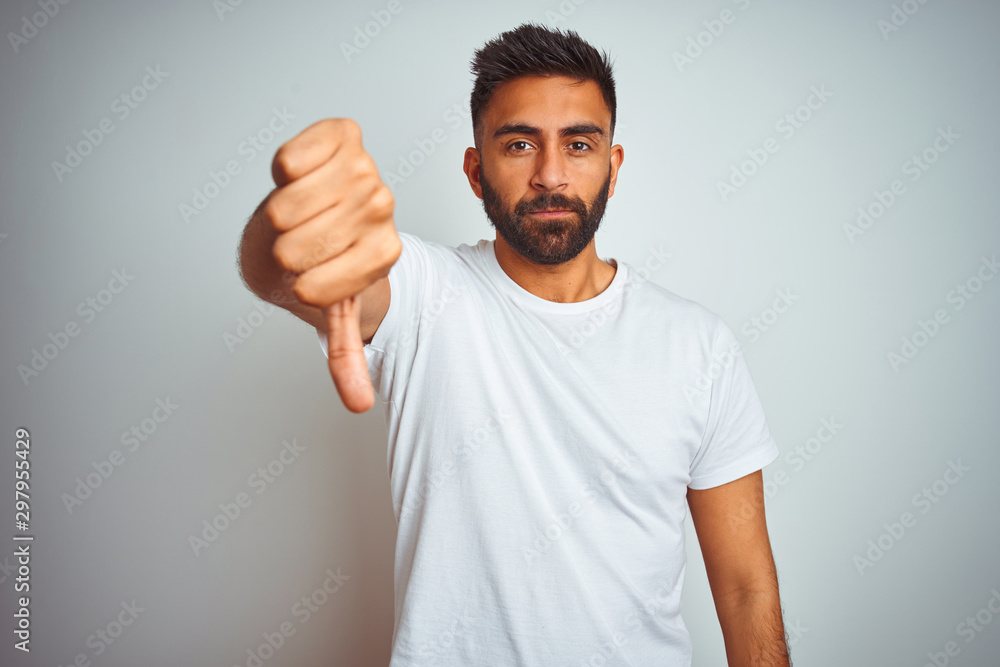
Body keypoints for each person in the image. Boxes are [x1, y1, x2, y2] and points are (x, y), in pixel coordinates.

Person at [237, 22, 790, 667]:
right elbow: (284, 269)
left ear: (613, 166)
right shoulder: (423, 293)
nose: (551, 175)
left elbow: (748, 590)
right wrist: (295, 219)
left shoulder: (699, 346)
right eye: (520, 143)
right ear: (475, 170)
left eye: (578, 144)